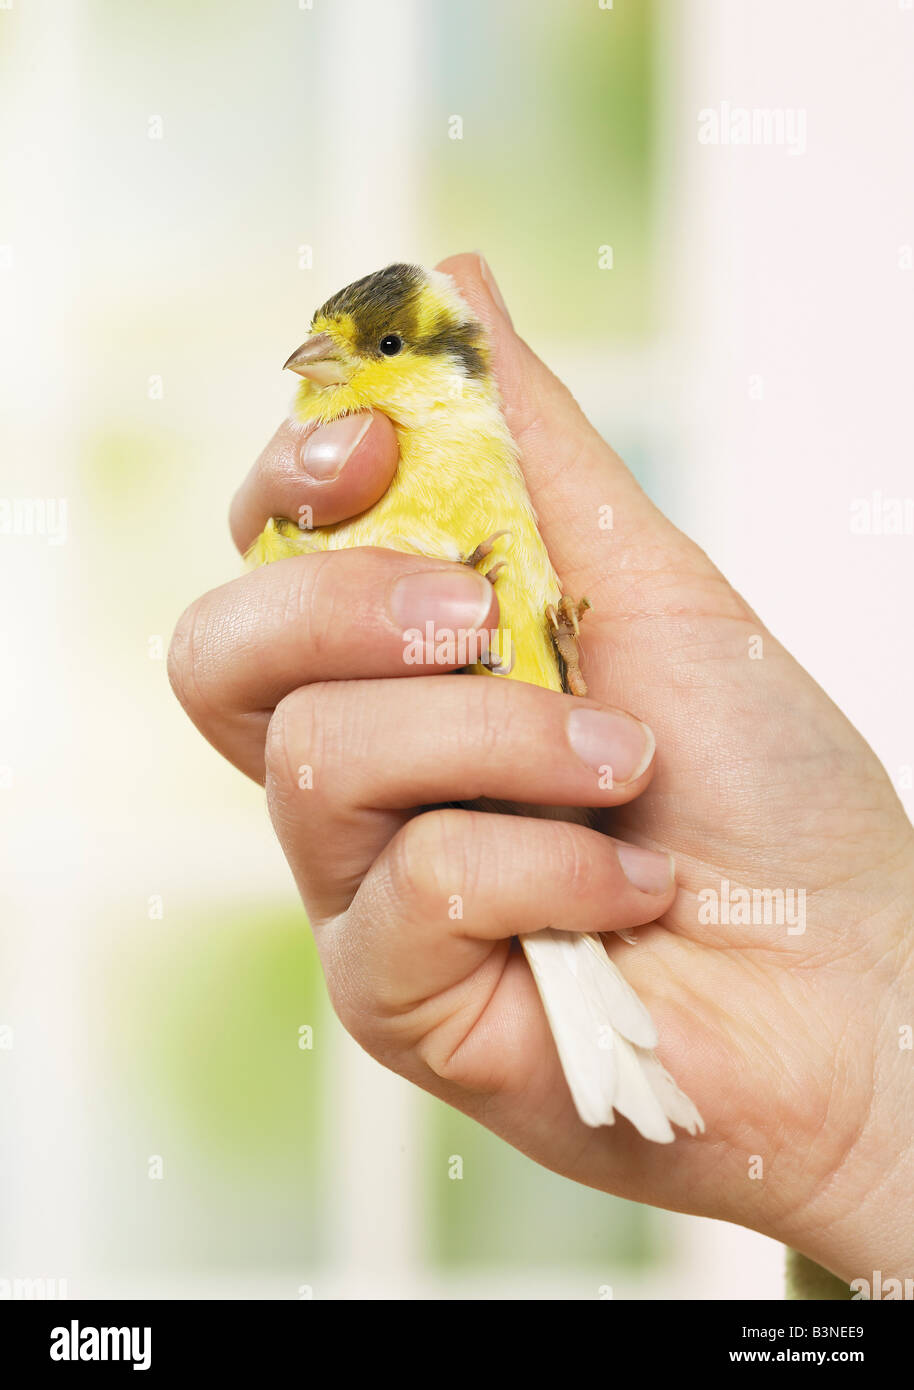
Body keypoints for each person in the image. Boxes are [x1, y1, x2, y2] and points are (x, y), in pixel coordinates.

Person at [168, 253, 914, 1291]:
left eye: (380, 348)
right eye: (328, 345)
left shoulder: (479, 444)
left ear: (444, 356)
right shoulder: (326, 491)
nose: (328, 364)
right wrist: (866, 1128)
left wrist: (874, 1097)